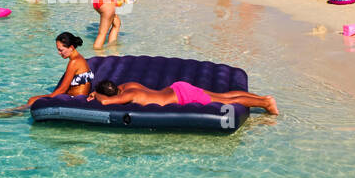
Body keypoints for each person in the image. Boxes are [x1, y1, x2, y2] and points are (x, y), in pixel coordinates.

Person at [88, 79, 279, 115]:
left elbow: (105, 101)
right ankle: (262, 97)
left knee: (227, 102)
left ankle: (265, 103)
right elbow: (112, 91)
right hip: (178, 86)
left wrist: (95, 94)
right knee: (223, 96)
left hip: (183, 97)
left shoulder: (128, 96)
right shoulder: (127, 86)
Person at [24, 32, 92, 105]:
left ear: (71, 47)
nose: (59, 53)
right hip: (76, 97)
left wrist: (47, 97)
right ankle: (16, 112)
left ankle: (15, 112)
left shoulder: (74, 62)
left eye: (61, 50)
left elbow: (62, 90)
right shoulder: (79, 58)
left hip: (75, 100)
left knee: (32, 100)